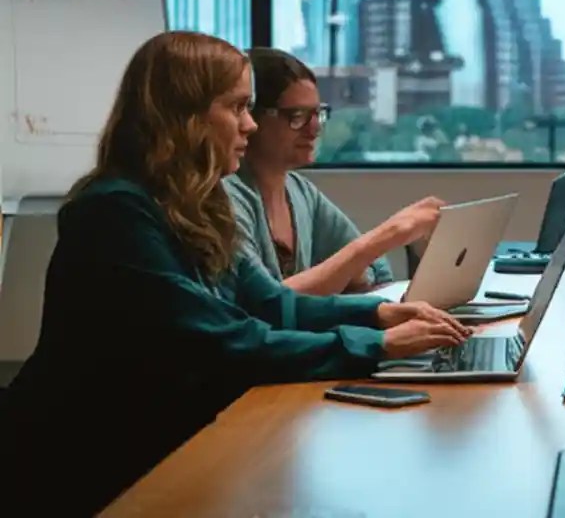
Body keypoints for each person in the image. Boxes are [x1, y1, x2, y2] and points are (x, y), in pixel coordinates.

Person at [0, 32, 471, 515]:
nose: (248, 125)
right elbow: (222, 341)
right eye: (237, 107)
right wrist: (377, 347)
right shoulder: (115, 212)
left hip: (153, 439)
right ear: (184, 116)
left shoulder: (200, 204)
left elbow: (269, 304)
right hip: (84, 463)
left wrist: (379, 315)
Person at [224, 47, 438, 295]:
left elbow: (375, 273)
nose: (314, 129)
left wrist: (348, 268)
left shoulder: (300, 191)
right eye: (296, 116)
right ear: (251, 117)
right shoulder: (224, 197)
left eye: (318, 114)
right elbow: (264, 304)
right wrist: (387, 236)